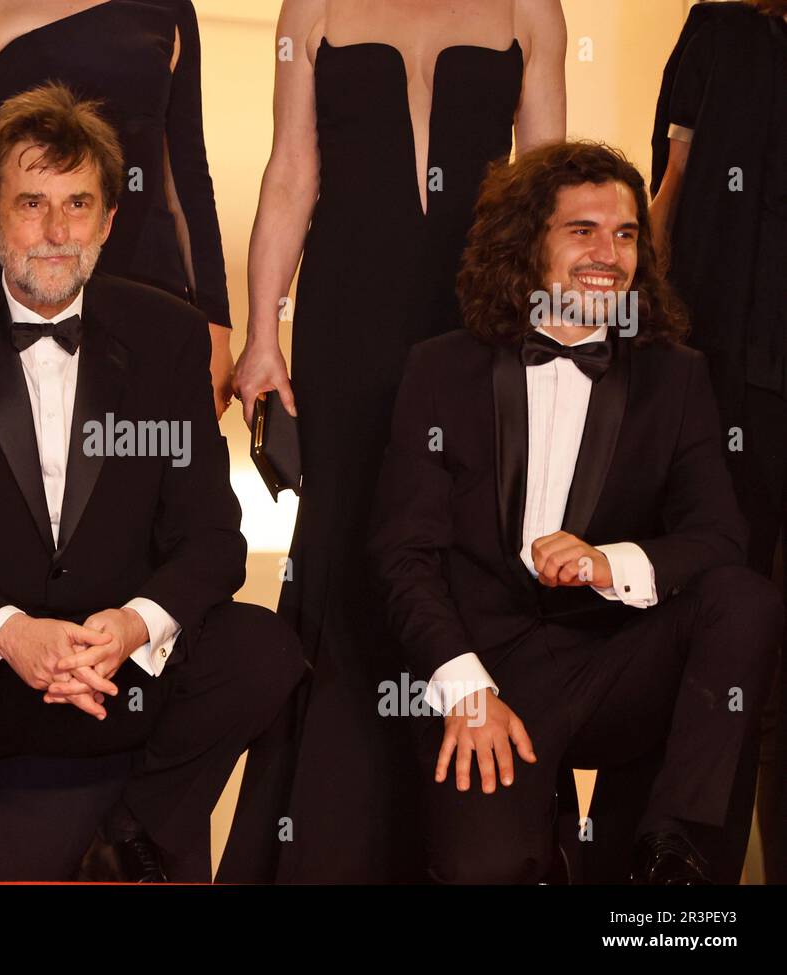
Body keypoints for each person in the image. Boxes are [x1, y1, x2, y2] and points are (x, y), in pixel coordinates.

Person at [0, 82, 305, 882]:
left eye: (77, 204)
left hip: (115, 668)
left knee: (263, 652)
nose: (54, 231)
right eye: (30, 203)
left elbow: (213, 538)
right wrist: (11, 631)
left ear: (109, 223)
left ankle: (128, 840)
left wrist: (127, 628)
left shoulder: (169, 336)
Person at [368, 140, 780, 884]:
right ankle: (548, 844)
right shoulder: (439, 367)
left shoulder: (675, 375)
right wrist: (465, 688)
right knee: (484, 870)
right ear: (528, 242)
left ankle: (673, 846)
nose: (610, 253)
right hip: (486, 672)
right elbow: (403, 554)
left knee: (745, 598)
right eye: (582, 230)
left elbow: (719, 536)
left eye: (625, 234)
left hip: (616, 664)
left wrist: (608, 561)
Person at [223, 0, 567, 883]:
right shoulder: (314, 6)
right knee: (343, 539)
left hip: (477, 312)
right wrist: (263, 329)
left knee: (463, 539)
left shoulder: (533, 8)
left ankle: (478, 823)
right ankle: (326, 837)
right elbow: (292, 171)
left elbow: (551, 186)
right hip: (345, 311)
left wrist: (556, 333)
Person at [0, 0, 235, 417]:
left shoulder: (170, 7)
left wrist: (216, 323)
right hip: (28, 288)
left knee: (153, 466)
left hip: (150, 284)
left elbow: (187, 176)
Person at [647, 0, 787, 884]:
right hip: (731, 374)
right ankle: (693, 875)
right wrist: (664, 349)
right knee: (728, 622)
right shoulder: (720, 29)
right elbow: (667, 193)